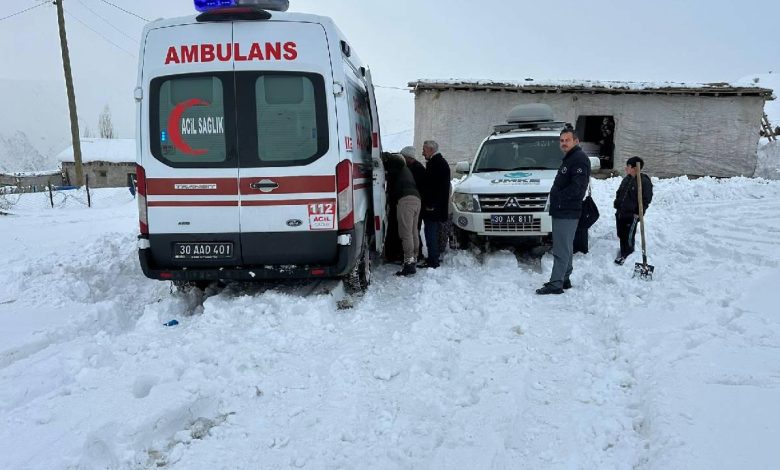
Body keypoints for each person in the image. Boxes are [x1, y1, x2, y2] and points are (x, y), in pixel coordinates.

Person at [536, 126, 591, 295]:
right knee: (565, 247)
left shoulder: (579, 159)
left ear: (576, 141)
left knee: (561, 250)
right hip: (563, 210)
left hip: (567, 211)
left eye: (567, 140)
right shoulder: (570, 158)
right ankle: (564, 278)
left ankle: (556, 284)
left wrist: (558, 197)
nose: (564, 143)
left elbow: (578, 188)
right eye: (561, 140)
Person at [384, 154, 422, 276]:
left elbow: (390, 188)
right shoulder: (406, 170)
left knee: (405, 233)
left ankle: (409, 263)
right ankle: (414, 258)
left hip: (405, 200)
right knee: (413, 231)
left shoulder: (396, 170)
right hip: (416, 199)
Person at [613, 156, 653, 265]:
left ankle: (628, 254)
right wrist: (617, 202)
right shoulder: (627, 178)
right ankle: (623, 251)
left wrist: (639, 212)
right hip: (621, 212)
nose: (626, 168)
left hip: (632, 215)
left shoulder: (643, 181)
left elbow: (646, 199)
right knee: (621, 234)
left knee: (628, 236)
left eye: (628, 166)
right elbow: (620, 192)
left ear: (635, 168)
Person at [420, 140, 450, 269]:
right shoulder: (438, 162)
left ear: (431, 150)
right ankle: (434, 257)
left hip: (433, 207)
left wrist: (431, 204)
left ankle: (433, 260)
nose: (422, 153)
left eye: (424, 150)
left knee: (430, 232)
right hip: (437, 206)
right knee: (432, 231)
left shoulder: (436, 163)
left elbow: (434, 187)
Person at [400, 146, 426, 261]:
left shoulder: (414, 169)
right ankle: (416, 255)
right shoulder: (418, 167)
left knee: (408, 231)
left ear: (409, 157)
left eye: (403, 157)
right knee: (414, 230)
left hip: (410, 201)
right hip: (418, 202)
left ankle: (411, 257)